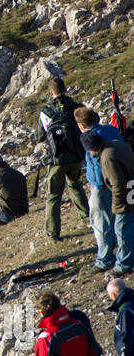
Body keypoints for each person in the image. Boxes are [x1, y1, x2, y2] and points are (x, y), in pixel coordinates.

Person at [38, 76, 89, 241]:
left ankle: (53, 234)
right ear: (66, 90)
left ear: (51, 92)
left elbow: (40, 136)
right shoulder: (76, 107)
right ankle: (87, 218)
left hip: (57, 160)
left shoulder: (45, 111)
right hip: (75, 157)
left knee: (53, 196)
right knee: (75, 185)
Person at [74, 107, 124, 273]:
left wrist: (96, 183)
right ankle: (123, 252)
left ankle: (105, 259)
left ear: (81, 125)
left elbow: (95, 163)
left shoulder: (89, 138)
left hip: (101, 185)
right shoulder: (111, 129)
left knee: (101, 222)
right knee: (120, 218)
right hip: (120, 180)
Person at [81, 128, 134, 274]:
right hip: (131, 187)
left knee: (121, 228)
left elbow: (117, 184)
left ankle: (124, 264)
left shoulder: (106, 158)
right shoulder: (116, 144)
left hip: (126, 194)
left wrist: (117, 206)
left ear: (91, 149)